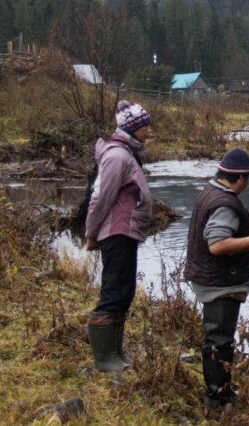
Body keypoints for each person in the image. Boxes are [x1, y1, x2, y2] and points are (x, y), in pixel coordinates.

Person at [184, 147, 249, 407]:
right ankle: (217, 398)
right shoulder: (224, 203)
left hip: (211, 278)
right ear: (241, 178)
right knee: (219, 340)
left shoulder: (210, 192)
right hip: (219, 283)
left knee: (218, 337)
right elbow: (218, 244)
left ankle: (220, 392)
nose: (248, 183)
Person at [84, 100, 155, 372]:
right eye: (144, 125)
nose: (148, 130)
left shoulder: (128, 153)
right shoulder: (117, 156)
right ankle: (104, 359)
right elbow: (100, 197)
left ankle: (115, 352)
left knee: (124, 293)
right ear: (132, 128)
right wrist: (91, 233)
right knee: (113, 293)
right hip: (116, 233)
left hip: (127, 232)